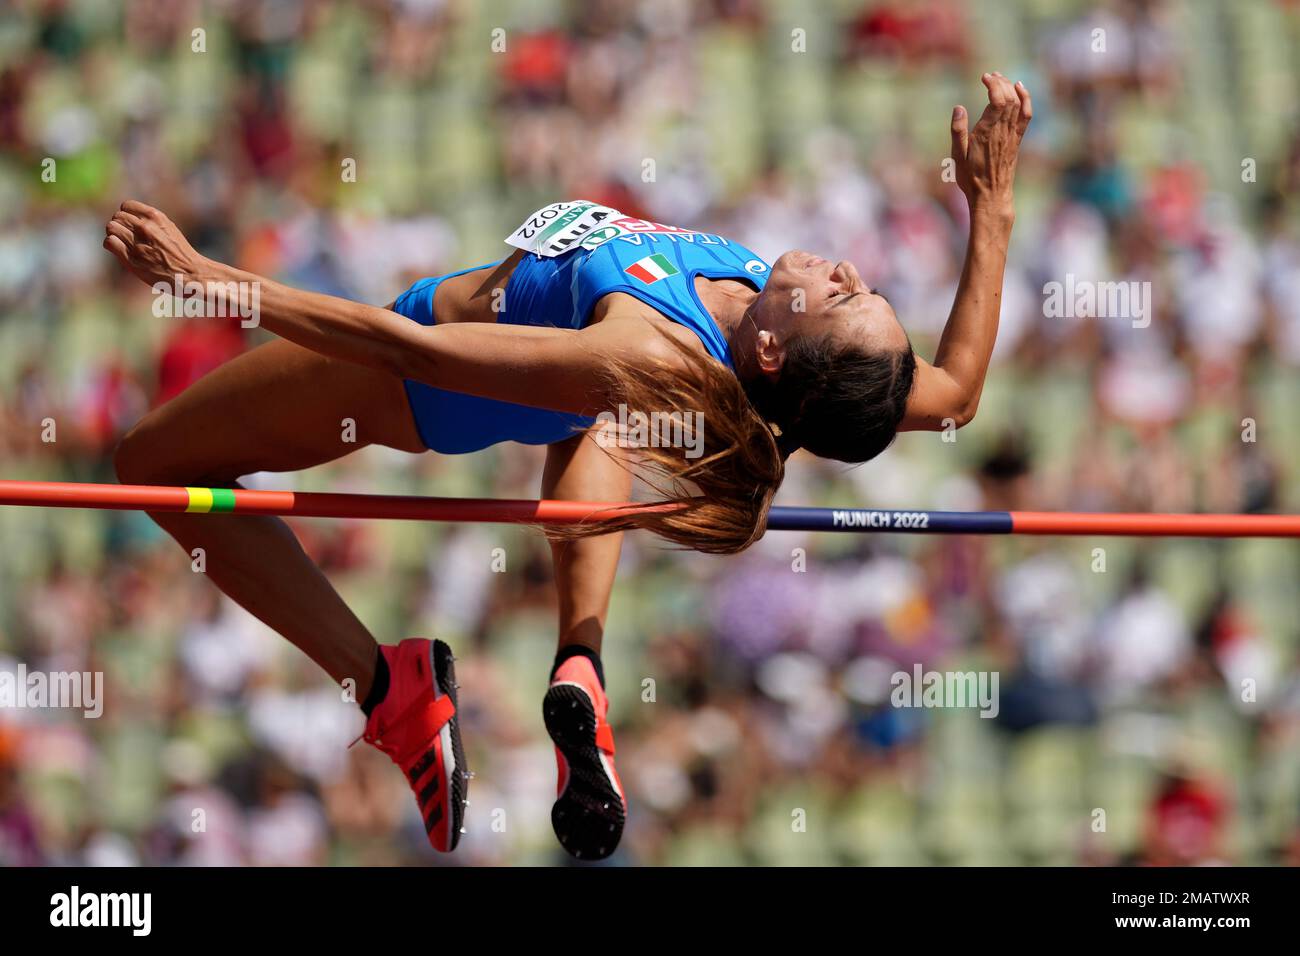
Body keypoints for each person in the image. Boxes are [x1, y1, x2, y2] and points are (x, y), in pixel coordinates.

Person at [103, 73, 1031, 861]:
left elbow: (413, 350)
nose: (848, 273)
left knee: (150, 464)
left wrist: (211, 279)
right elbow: (953, 393)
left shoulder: (656, 352)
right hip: (546, 388)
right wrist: (990, 204)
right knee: (617, 419)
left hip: (416, 372)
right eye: (861, 289)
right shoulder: (767, 346)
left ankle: (391, 689)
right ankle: (579, 662)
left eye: (845, 299)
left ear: (782, 356)